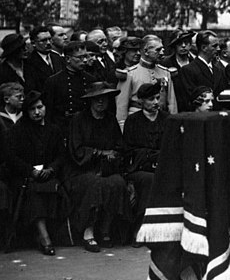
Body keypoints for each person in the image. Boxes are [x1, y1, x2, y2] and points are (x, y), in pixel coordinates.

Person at [65, 82, 130, 252]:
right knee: (95, 184)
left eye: (104, 99)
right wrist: (100, 153)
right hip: (81, 169)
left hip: (107, 168)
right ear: (90, 101)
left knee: (117, 183)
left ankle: (105, 229)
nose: (101, 102)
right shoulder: (78, 119)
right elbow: (76, 150)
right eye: (97, 99)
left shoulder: (110, 119)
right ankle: (88, 231)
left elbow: (119, 146)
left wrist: (113, 155)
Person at [7, 92, 69, 255]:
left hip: (49, 174)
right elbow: (12, 157)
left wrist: (51, 169)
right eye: (32, 109)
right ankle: (44, 237)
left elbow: (61, 155)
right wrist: (31, 171)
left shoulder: (53, 130)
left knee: (54, 189)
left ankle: (49, 233)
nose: (37, 112)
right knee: (33, 192)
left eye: (40, 107)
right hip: (25, 176)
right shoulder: (18, 130)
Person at [123, 82, 169, 244]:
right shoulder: (133, 121)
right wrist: (149, 156)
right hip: (139, 167)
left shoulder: (167, 119)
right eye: (151, 99)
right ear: (141, 101)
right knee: (149, 180)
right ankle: (140, 227)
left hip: (164, 165)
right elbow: (128, 150)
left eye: (157, 98)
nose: (156, 102)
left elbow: (172, 146)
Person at [115, 35, 177, 131]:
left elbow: (172, 103)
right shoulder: (130, 74)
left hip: (161, 123)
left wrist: (174, 125)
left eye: (162, 49)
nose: (162, 53)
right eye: (158, 50)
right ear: (146, 51)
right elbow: (121, 106)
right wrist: (123, 128)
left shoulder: (165, 73)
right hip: (137, 124)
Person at [42, 41, 96, 133]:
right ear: (68, 59)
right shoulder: (53, 81)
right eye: (80, 57)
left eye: (86, 56)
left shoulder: (90, 79)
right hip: (62, 127)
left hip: (86, 126)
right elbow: (49, 111)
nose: (85, 60)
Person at [24, 26, 65, 94]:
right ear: (33, 43)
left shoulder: (57, 57)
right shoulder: (29, 62)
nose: (48, 43)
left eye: (50, 39)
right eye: (43, 40)